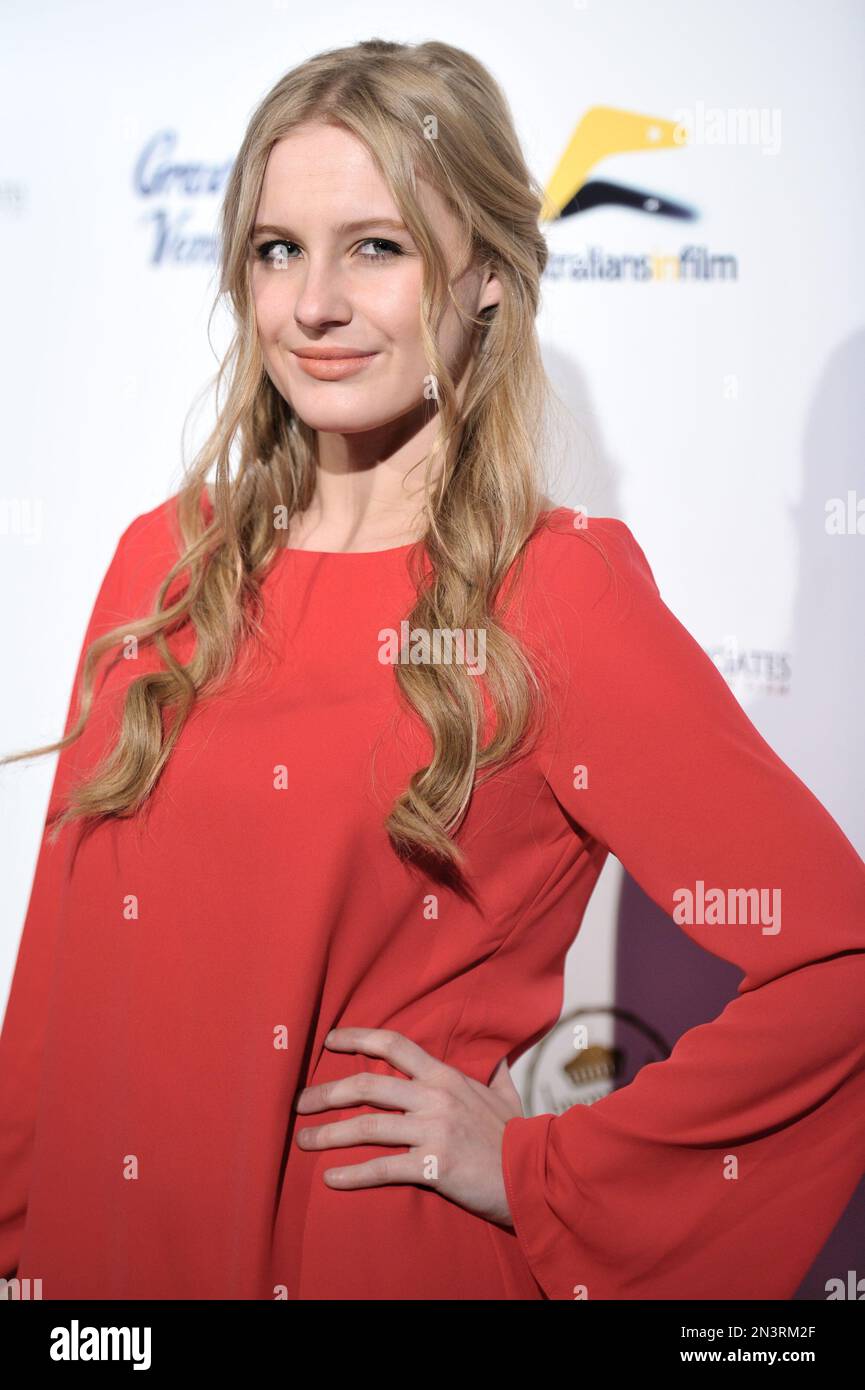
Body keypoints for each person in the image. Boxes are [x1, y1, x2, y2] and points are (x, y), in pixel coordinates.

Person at [1, 37, 864, 1303]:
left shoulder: (556, 593)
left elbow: (836, 958)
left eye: (378, 247)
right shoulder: (164, 562)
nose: (314, 305)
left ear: (488, 286)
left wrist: (541, 1166)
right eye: (278, 249)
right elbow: (60, 983)